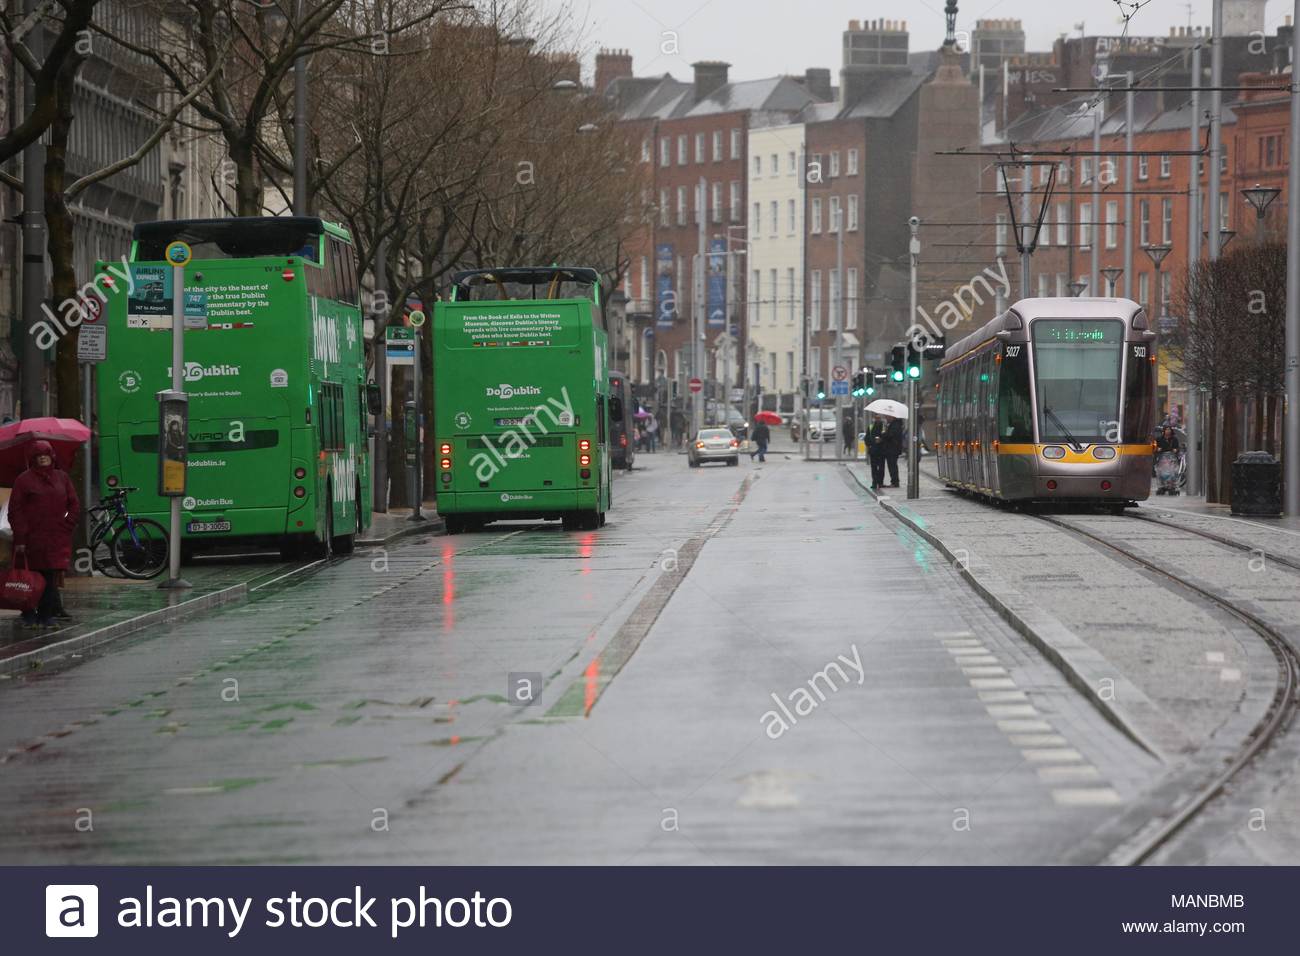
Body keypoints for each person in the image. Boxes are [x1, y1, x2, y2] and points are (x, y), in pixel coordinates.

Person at [8, 440, 80, 627]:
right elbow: (15, 510)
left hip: (56, 537)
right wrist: (21, 535)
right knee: (28, 578)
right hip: (31, 539)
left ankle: (46, 615)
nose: (42, 458)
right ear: (33, 458)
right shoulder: (23, 480)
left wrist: (67, 524)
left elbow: (74, 504)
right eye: (38, 455)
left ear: (52, 456)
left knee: (49, 578)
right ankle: (29, 613)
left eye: (46, 454)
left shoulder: (62, 478)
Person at [883, 415, 904, 487]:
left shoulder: (895, 425)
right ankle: (894, 482)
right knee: (892, 465)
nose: (886, 418)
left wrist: (884, 433)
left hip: (893, 449)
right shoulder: (894, 424)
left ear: (892, 417)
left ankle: (895, 482)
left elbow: (890, 435)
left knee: (892, 466)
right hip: (892, 448)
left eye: (887, 417)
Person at [867, 415, 887, 489]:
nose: (877, 419)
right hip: (873, 451)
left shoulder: (884, 427)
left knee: (881, 468)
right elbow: (867, 438)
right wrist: (871, 444)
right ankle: (874, 482)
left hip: (882, 450)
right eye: (876, 418)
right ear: (874, 419)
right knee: (874, 468)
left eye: (879, 418)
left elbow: (887, 437)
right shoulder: (871, 426)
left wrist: (881, 440)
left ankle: (880, 482)